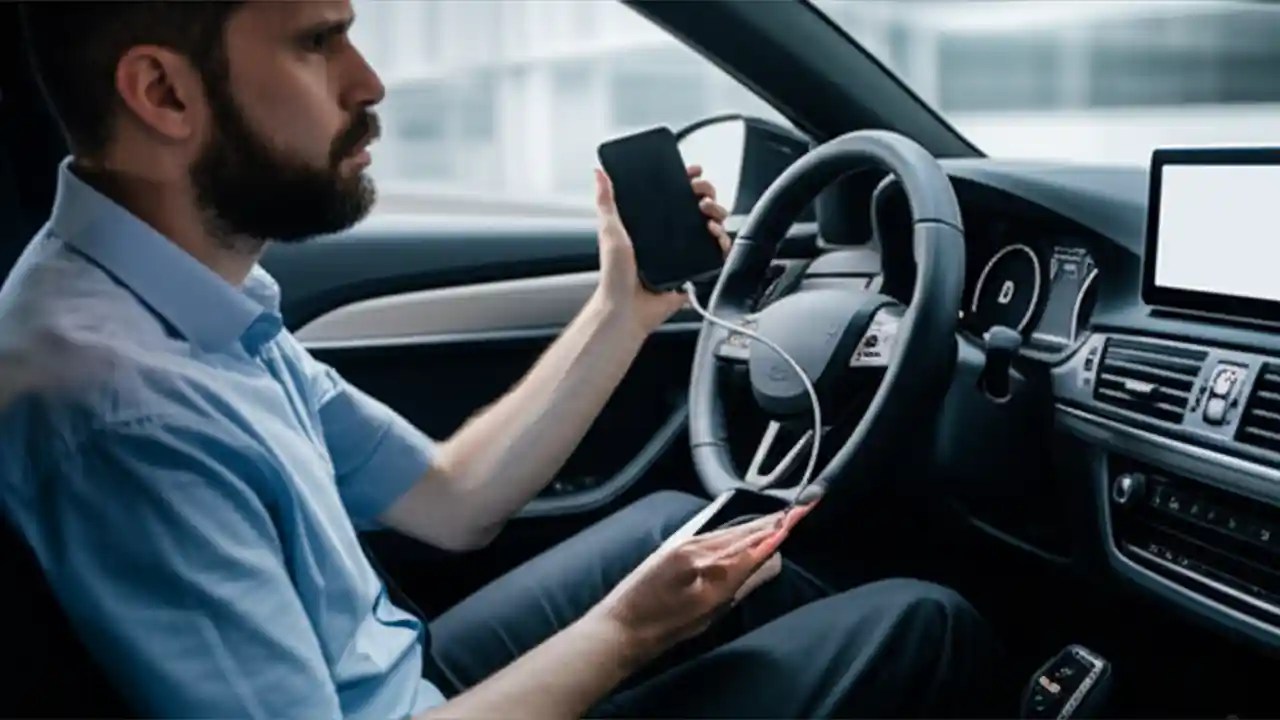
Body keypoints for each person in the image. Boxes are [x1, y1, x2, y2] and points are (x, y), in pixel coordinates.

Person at [1, 2, 999, 718]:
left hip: (392, 676)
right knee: (921, 625)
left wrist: (621, 308)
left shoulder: (184, 300)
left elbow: (450, 500)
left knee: (677, 529)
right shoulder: (122, 408)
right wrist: (627, 634)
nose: (368, 82)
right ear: (163, 93)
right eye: (316, 42)